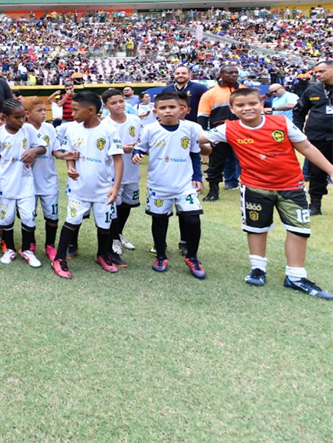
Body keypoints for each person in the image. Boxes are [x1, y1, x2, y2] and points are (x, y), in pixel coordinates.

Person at [202, 88, 333, 299]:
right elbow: (197, 138)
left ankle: (296, 276)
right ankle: (258, 268)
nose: (247, 108)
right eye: (241, 105)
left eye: (252, 103)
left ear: (262, 105)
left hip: (292, 186)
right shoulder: (227, 129)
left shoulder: (281, 122)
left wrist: (331, 170)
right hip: (255, 188)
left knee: (298, 230)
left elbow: (306, 147)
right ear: (233, 110)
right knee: (256, 227)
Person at [50, 91, 123, 280]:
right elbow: (70, 154)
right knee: (71, 222)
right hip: (79, 188)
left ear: (91, 110)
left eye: (75, 110)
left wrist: (115, 187)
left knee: (104, 225)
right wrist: (70, 167)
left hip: (103, 189)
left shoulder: (108, 131)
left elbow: (117, 160)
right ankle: (59, 258)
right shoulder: (72, 129)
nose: (72, 113)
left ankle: (103, 254)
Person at [132, 92, 205, 278]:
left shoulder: (189, 128)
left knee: (192, 219)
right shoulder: (150, 129)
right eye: (163, 108)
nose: (168, 111)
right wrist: (137, 153)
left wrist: (198, 176)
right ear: (156, 111)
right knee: (159, 220)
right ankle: (161, 256)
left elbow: (195, 154)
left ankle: (192, 257)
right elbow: (139, 147)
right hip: (159, 184)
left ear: (181, 109)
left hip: (185, 184)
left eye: (172, 107)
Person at [0, 99, 46, 267]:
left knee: (28, 217)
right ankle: (9, 249)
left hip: (25, 183)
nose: (21, 121)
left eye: (23, 117)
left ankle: (27, 250)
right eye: (17, 118)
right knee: (6, 219)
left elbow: (43, 147)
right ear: (4, 117)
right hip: (5, 183)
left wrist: (34, 150)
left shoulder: (29, 129)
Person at [101, 88, 142, 259]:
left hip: (132, 170)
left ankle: (119, 233)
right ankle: (114, 238)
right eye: (113, 103)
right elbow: (101, 150)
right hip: (112, 173)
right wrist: (120, 149)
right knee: (114, 207)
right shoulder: (104, 124)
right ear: (106, 106)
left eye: (121, 101)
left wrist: (137, 151)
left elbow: (141, 141)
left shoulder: (134, 119)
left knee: (127, 205)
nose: (119, 105)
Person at [198, 64, 244, 201]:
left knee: (248, 160)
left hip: (242, 131)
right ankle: (213, 191)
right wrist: (206, 136)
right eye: (230, 73)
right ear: (221, 75)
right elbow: (202, 116)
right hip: (219, 133)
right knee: (216, 163)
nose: (234, 75)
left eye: (236, 72)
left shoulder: (245, 91)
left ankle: (254, 188)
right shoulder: (210, 93)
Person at [292, 60, 333, 216]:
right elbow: (299, 111)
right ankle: (315, 205)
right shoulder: (312, 91)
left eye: (321, 71)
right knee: (316, 173)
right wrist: (297, 130)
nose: (317, 74)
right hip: (317, 138)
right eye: (316, 72)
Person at [23, 96, 60, 262]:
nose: (44, 113)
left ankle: (50, 245)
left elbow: (55, 151)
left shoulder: (50, 129)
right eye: (39, 111)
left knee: (52, 216)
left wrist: (66, 155)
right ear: (27, 114)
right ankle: (30, 244)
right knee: (29, 216)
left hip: (48, 180)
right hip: (27, 181)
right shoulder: (21, 129)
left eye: (45, 110)